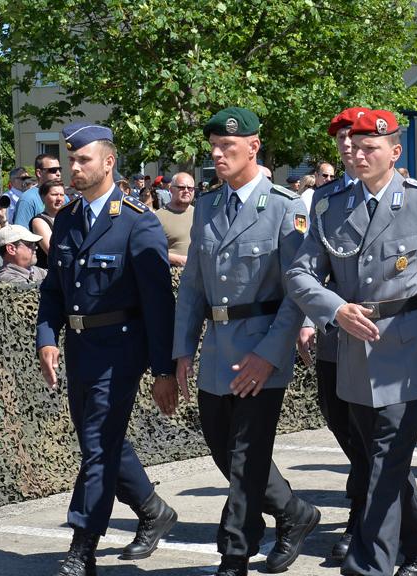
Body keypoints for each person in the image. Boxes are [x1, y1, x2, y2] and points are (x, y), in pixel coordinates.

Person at [286, 109, 417, 576]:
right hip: (355, 349)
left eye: (370, 148)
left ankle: (368, 565)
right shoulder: (329, 203)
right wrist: (334, 308)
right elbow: (300, 273)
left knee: (383, 459)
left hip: (406, 348)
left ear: (395, 153)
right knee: (380, 458)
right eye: (352, 147)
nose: (357, 155)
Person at [168, 107, 318, 576]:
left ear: (253, 147)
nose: (217, 155)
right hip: (217, 351)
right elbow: (192, 284)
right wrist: (181, 350)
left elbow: (296, 294)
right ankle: (295, 514)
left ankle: (235, 552)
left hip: (261, 349)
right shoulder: (208, 206)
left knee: (245, 458)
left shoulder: (284, 207)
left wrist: (270, 356)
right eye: (213, 146)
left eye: (227, 147)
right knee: (219, 444)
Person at [36, 123, 178, 576]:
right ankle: (154, 510)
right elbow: (54, 291)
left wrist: (163, 370)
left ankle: (82, 546)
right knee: (101, 442)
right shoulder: (69, 219)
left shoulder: (138, 221)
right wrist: (46, 338)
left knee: (97, 445)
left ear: (108, 163)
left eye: (83, 160)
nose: (72, 168)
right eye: (70, 160)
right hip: (81, 348)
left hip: (120, 351)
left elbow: (159, 306)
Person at [295, 106, 369, 563]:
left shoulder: (406, 195)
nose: (346, 145)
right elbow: (309, 269)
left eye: (355, 138)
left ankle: (365, 516)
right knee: (340, 421)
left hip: (383, 338)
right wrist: (310, 318)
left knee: (373, 437)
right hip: (334, 334)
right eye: (341, 137)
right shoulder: (325, 200)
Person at [155, 172, 196, 267]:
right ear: (171, 189)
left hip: (197, 276)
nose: (186, 191)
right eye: (181, 187)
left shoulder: (200, 214)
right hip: (172, 275)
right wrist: (179, 260)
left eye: (190, 188)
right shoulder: (157, 217)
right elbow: (150, 249)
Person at [14, 154, 64, 227]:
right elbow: (21, 233)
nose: (58, 173)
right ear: (39, 173)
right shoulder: (28, 199)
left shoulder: (63, 197)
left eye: (59, 170)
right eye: (53, 170)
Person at [30, 181, 68, 269]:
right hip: (47, 273)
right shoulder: (39, 221)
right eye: (54, 195)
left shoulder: (67, 218)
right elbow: (52, 252)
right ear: (43, 197)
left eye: (61, 195)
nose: (59, 199)